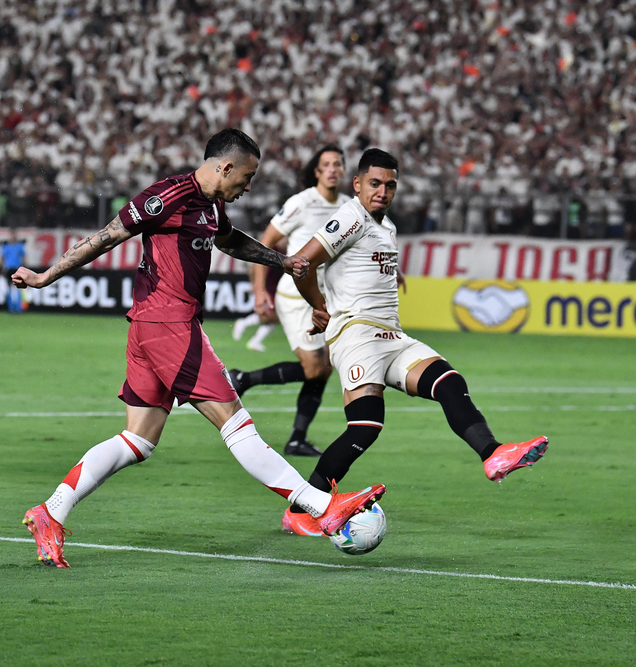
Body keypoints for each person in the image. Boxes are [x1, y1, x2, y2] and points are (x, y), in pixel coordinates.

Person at [12, 129, 385, 567]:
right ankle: (322, 508)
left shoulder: (211, 206)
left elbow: (230, 240)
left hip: (153, 325)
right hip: (169, 322)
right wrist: (45, 276)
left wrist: (279, 260)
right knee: (236, 422)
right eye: (245, 178)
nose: (246, 187)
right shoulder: (167, 196)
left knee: (138, 439)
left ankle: (51, 511)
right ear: (224, 167)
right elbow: (107, 236)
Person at [280, 148, 548, 537]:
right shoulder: (351, 216)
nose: (383, 191)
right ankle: (301, 510)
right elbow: (302, 263)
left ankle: (492, 454)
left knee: (448, 381)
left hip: (391, 334)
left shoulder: (385, 226)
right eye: (375, 183)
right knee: (365, 426)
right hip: (357, 334)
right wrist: (319, 307)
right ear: (357, 185)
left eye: (390, 185)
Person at [228, 146, 351, 456]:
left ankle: (297, 438)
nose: (333, 169)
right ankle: (244, 379)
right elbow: (264, 243)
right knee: (314, 369)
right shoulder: (302, 203)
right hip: (296, 296)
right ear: (317, 172)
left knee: (323, 370)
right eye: (326, 164)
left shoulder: (350, 207)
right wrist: (259, 291)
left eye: (338, 164)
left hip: (324, 299)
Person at [231, 263, 281, 352]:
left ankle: (255, 340)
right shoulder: (274, 250)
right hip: (269, 288)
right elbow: (256, 266)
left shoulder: (287, 251)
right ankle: (244, 324)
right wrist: (255, 284)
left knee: (274, 318)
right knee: (272, 316)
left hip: (277, 288)